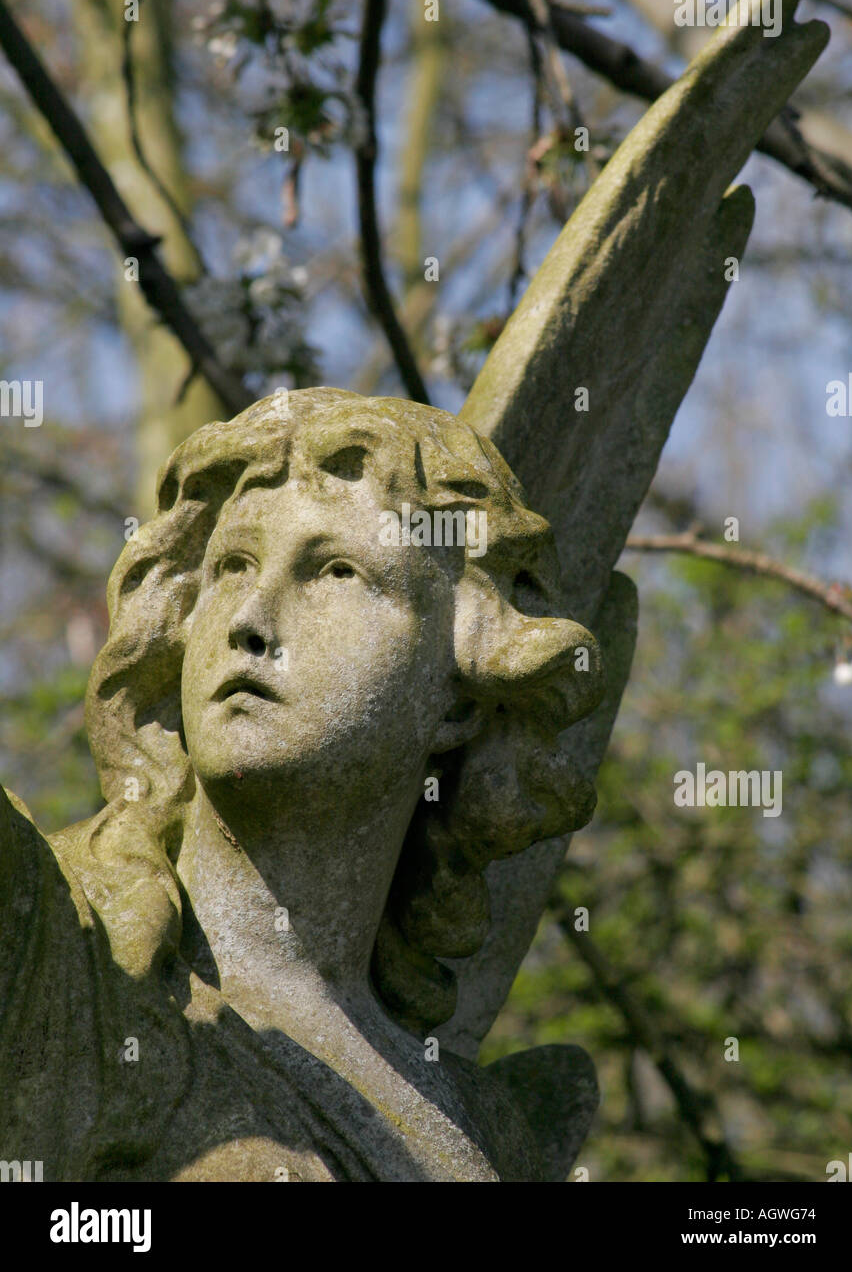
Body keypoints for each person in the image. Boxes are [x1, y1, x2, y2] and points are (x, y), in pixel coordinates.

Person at [0, 388, 602, 1181]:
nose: (250, 615)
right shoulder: (61, 950)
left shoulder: (476, 1131)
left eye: (337, 571)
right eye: (232, 565)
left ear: (457, 697)